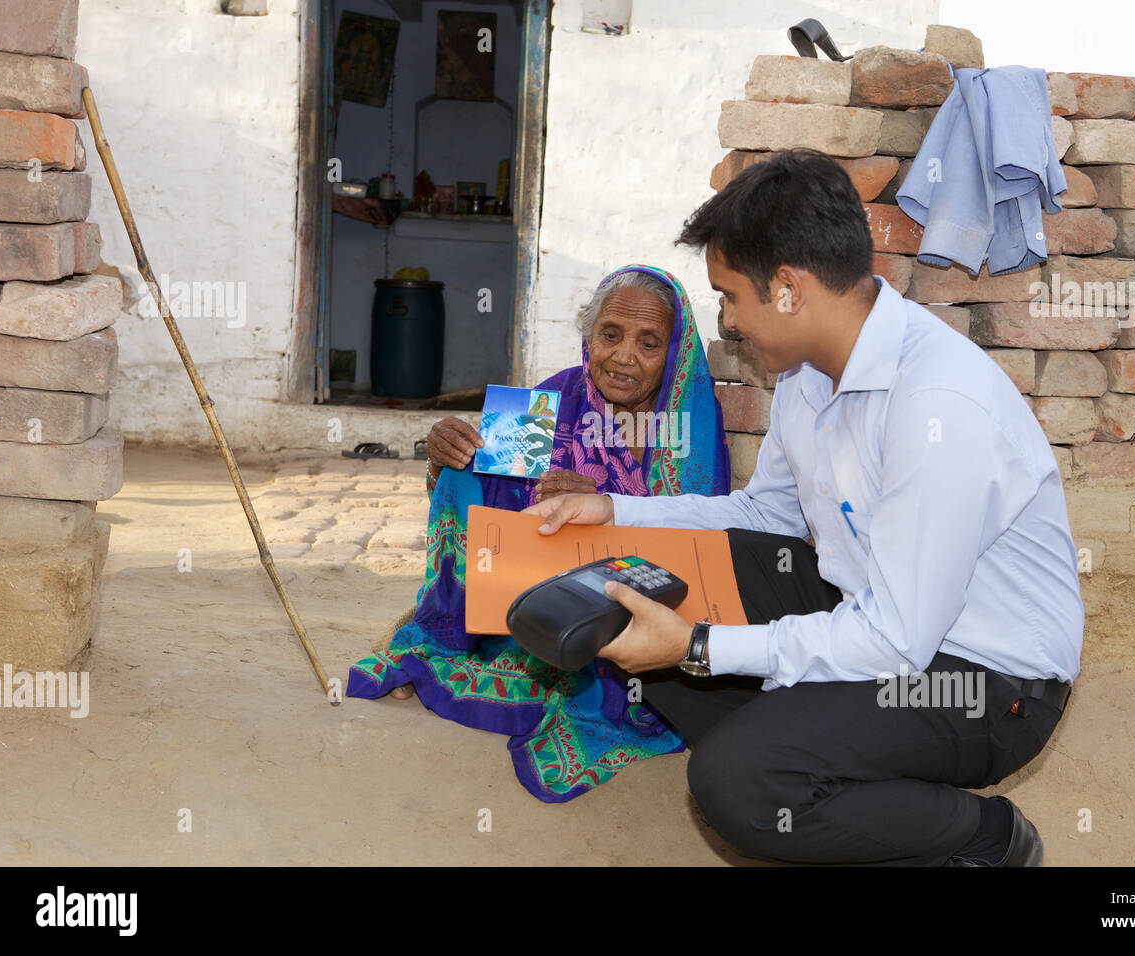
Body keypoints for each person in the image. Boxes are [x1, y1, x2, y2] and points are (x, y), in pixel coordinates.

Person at [524, 150, 1085, 865]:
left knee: (737, 780)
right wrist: (615, 510)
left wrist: (698, 646)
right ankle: (815, 741)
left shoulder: (938, 405)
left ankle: (986, 839)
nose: (725, 322)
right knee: (651, 582)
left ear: (788, 289)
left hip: (985, 681)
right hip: (877, 607)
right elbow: (768, 516)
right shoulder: (810, 371)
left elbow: (894, 641)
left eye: (729, 296)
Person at [347, 264, 730, 802]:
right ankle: (453, 628)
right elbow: (482, 492)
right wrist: (445, 458)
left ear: (674, 353)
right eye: (610, 335)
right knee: (467, 470)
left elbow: (700, 538)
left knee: (624, 685)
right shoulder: (557, 399)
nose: (622, 356)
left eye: (648, 343)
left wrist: (603, 501)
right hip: (544, 588)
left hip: (637, 606)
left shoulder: (689, 419)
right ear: (588, 337)